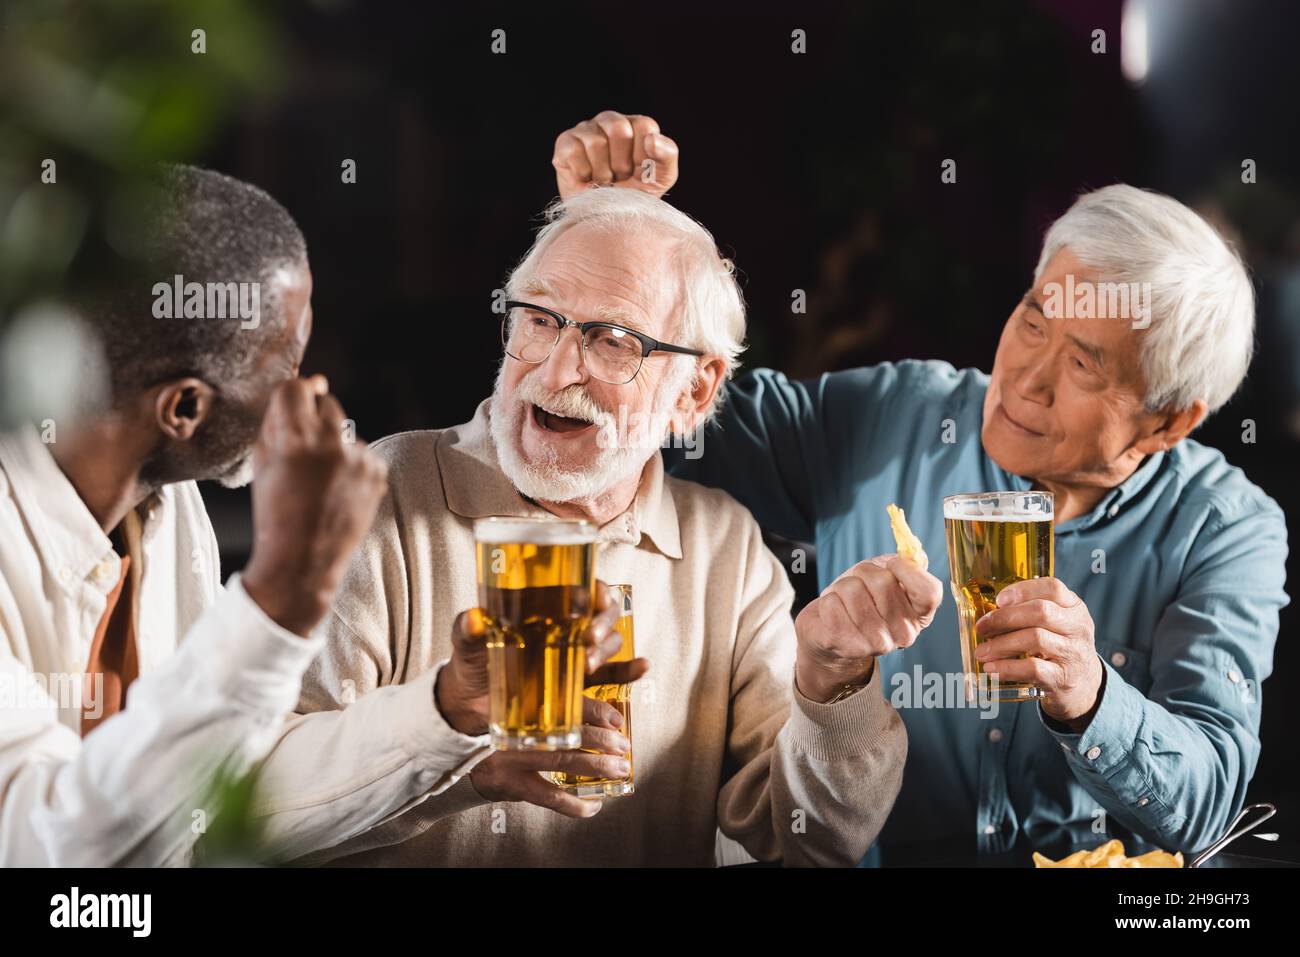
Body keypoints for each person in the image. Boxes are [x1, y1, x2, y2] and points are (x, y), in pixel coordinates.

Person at [550, 111, 1290, 859]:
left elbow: (1208, 801)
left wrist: (1091, 695)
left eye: (1084, 364)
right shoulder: (895, 413)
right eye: (1034, 320)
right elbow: (679, 417)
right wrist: (612, 251)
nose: (1026, 379)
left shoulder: (1226, 526)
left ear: (1169, 421)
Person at [288, 135, 938, 865]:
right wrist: (449, 732)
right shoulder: (384, 493)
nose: (557, 368)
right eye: (539, 319)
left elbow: (809, 843)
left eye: (612, 341)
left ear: (695, 392)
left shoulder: (728, 548)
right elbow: (253, 803)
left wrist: (832, 683)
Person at [0, 165, 625, 865]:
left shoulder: (166, 505)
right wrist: (280, 597)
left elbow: (209, 794)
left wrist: (452, 713)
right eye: (285, 366)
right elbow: (46, 852)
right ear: (183, 409)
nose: (310, 390)